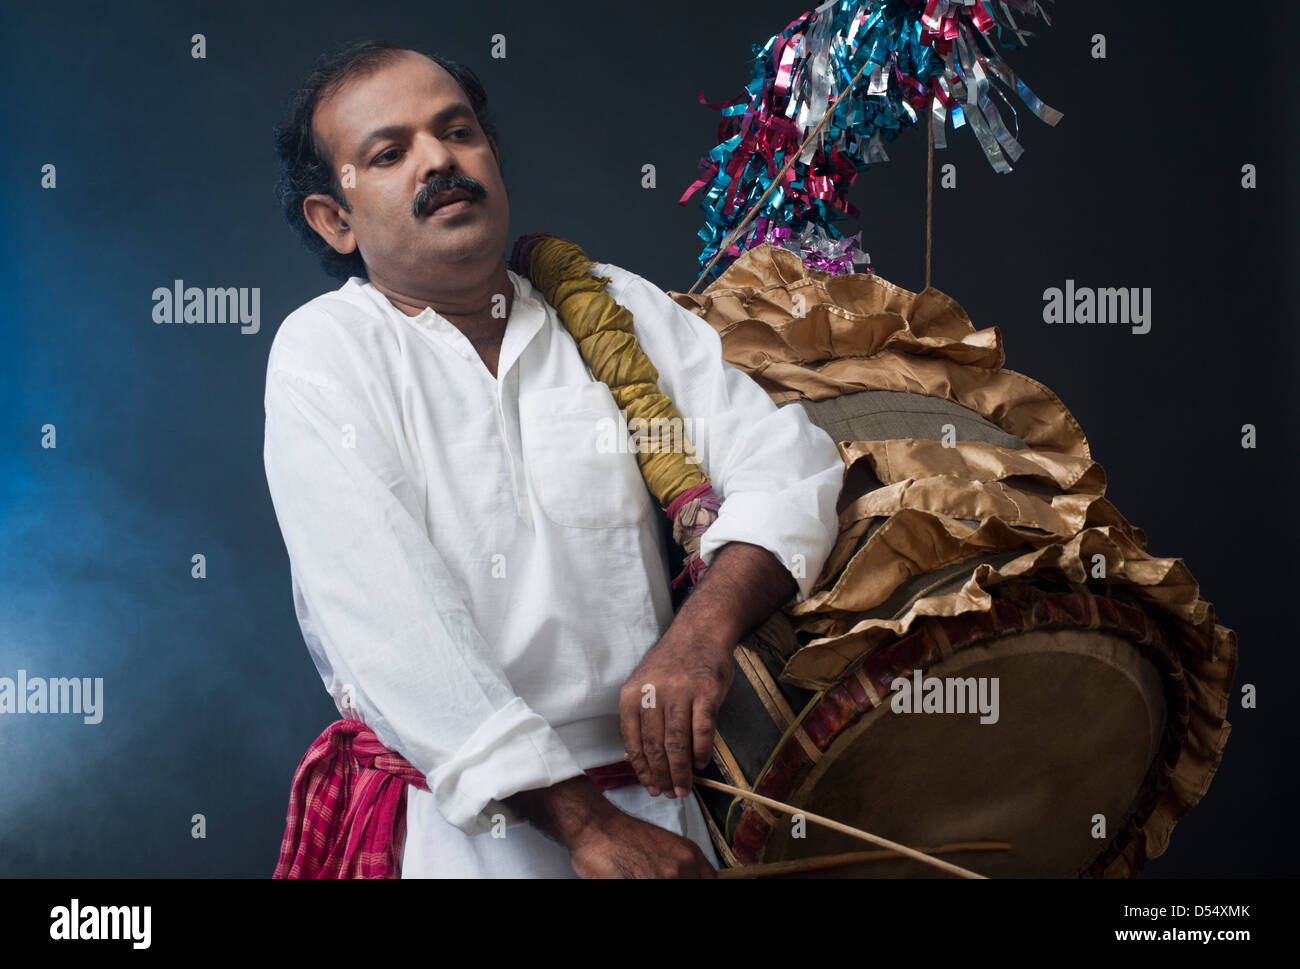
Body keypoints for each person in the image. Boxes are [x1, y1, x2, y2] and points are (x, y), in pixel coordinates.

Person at [264, 38, 843, 877]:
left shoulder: (611, 307)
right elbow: (390, 618)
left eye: (457, 132)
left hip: (669, 804)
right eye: (390, 153)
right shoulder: (327, 352)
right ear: (336, 219)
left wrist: (700, 633)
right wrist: (585, 826)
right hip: (460, 830)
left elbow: (792, 468)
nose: (440, 160)